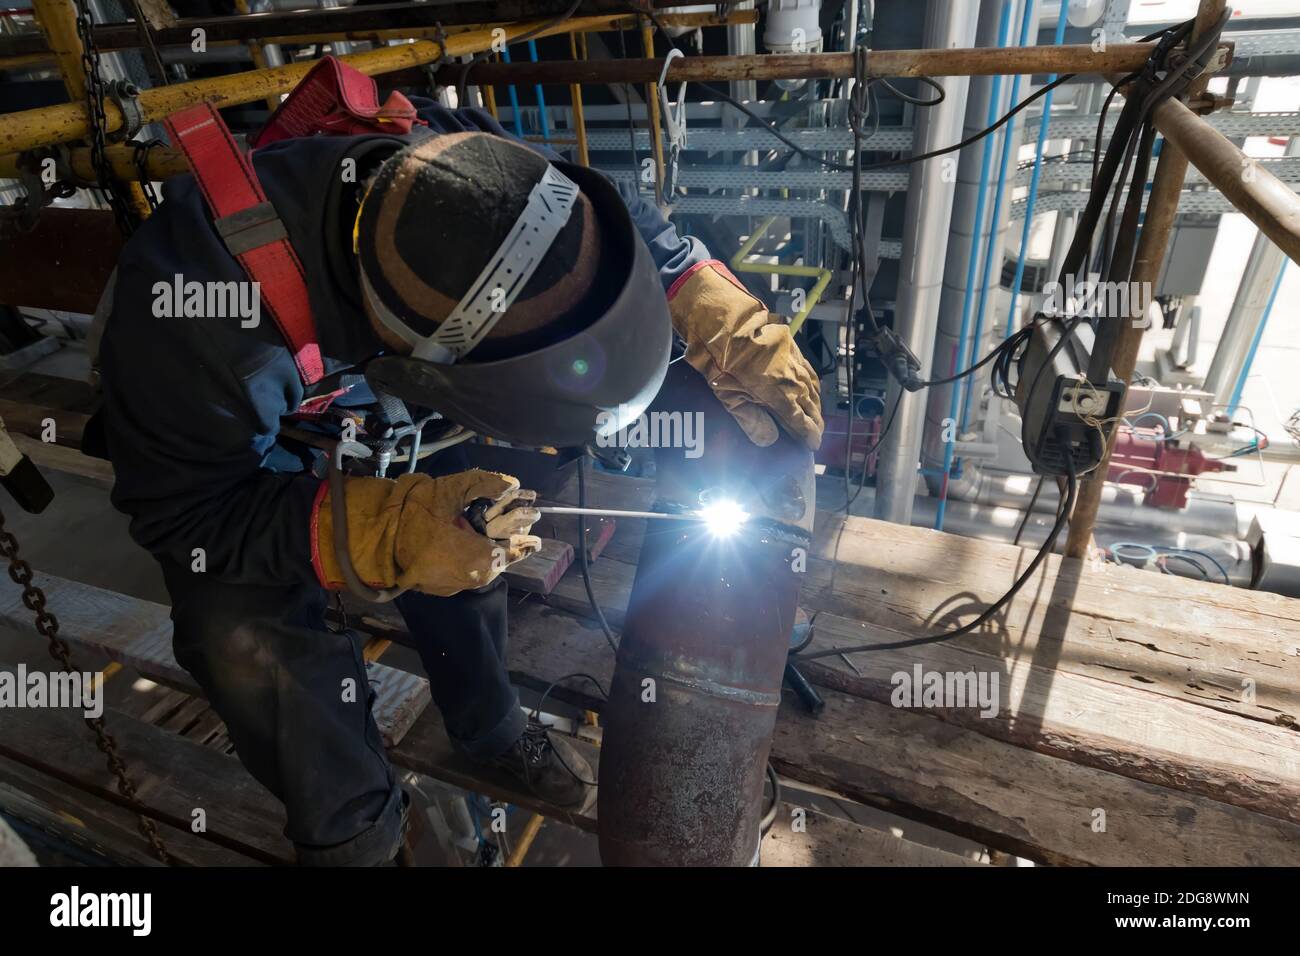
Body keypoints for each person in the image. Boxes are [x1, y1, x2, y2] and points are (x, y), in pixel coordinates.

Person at [93, 60, 822, 865]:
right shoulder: (198, 314)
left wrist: (696, 288)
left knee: (470, 533)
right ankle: (357, 836)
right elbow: (185, 514)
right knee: (256, 645)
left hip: (373, 402)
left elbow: (595, 207)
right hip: (244, 470)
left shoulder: (459, 166)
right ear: (423, 364)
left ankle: (488, 729)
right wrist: (382, 528)